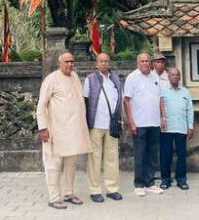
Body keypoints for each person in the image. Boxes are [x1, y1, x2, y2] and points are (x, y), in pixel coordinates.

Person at [36, 52, 91, 210]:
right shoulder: (51, 79)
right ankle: (54, 198)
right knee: (54, 165)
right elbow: (41, 105)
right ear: (60, 63)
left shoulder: (74, 76)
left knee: (71, 165)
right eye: (66, 62)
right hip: (56, 131)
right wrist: (43, 128)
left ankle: (69, 193)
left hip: (74, 131)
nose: (70, 64)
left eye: (72, 61)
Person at [83, 53, 123, 203]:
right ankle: (94, 190)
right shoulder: (90, 79)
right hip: (96, 124)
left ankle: (112, 188)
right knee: (94, 158)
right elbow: (85, 102)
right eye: (101, 61)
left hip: (111, 125)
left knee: (112, 157)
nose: (104, 64)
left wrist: (120, 120)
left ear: (109, 63)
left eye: (106, 61)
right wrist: (86, 123)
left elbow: (119, 100)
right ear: (96, 63)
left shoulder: (116, 79)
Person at [123, 52, 164, 197]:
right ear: (138, 63)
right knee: (140, 154)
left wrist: (163, 117)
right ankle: (139, 184)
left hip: (154, 122)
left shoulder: (155, 77)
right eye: (143, 61)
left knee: (152, 154)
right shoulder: (132, 77)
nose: (145, 63)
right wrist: (131, 122)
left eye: (147, 61)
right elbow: (126, 101)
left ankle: (150, 183)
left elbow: (160, 99)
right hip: (139, 123)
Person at [159, 67, 194, 190]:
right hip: (166, 129)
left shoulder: (185, 92)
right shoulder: (162, 91)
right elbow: (159, 108)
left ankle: (181, 180)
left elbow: (190, 110)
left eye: (176, 75)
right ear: (168, 77)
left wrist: (190, 126)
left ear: (179, 77)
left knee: (182, 155)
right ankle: (165, 180)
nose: (174, 77)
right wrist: (162, 121)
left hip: (181, 128)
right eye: (172, 75)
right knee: (166, 155)